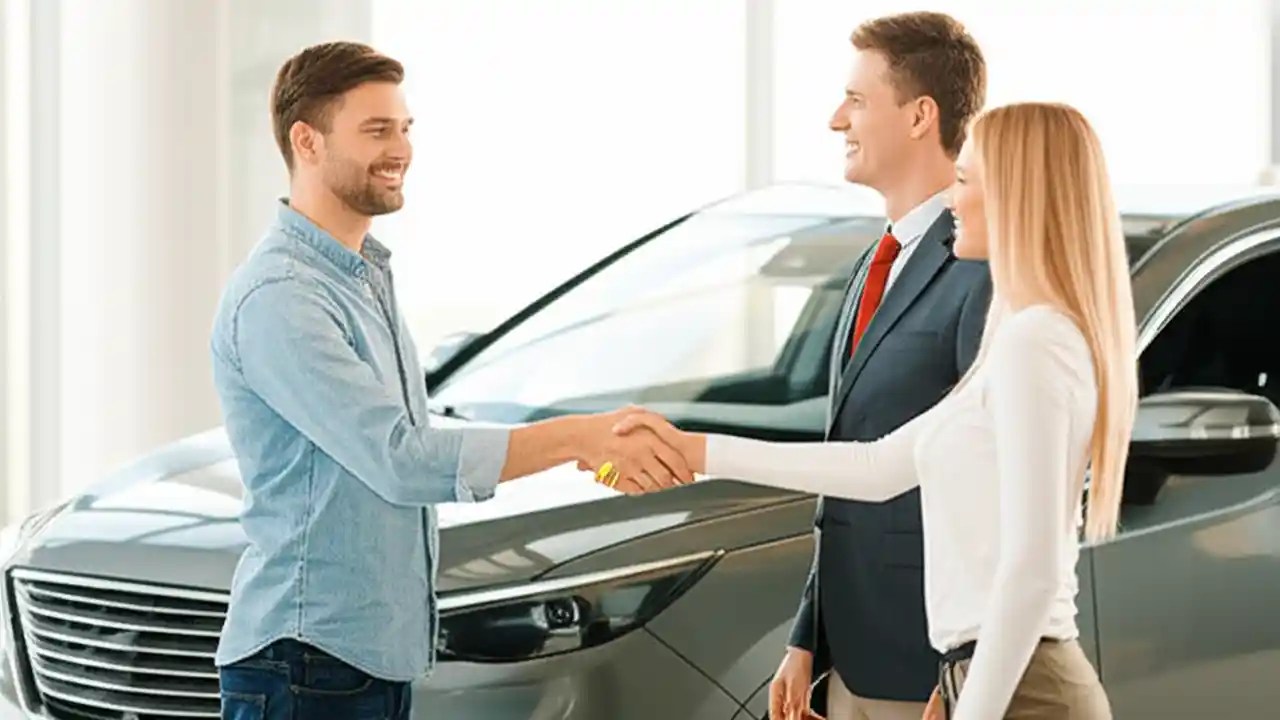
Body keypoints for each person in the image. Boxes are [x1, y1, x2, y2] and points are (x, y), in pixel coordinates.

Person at [209, 42, 690, 720]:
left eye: (405, 128)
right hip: (306, 667)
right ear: (307, 142)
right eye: (376, 130)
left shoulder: (359, 276)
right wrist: (579, 438)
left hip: (363, 660)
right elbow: (401, 460)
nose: (401, 148)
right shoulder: (284, 296)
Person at [613, 101, 1135, 720]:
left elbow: (1032, 570)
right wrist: (691, 448)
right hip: (996, 680)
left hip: (1029, 691)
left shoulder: (1035, 342)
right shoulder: (1017, 334)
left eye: (965, 181)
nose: (950, 202)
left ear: (1016, 197)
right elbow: (878, 468)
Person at [725, 11, 992, 720]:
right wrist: (808, 636)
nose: (835, 119)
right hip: (850, 654)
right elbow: (848, 463)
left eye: (856, 99)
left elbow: (989, 490)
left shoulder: (980, 268)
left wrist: (965, 669)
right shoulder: (875, 264)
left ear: (919, 116)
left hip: (930, 666)